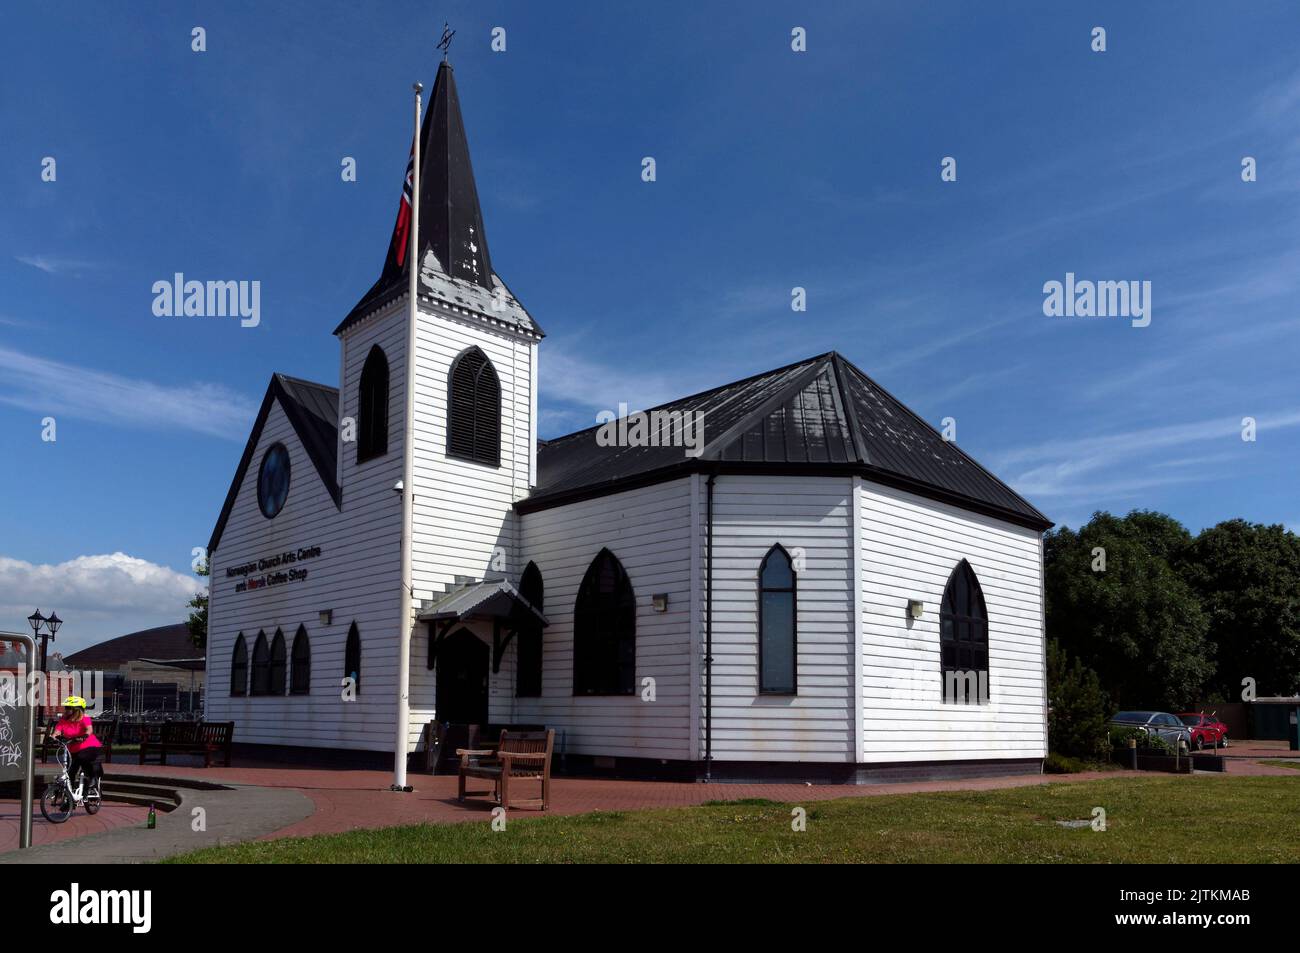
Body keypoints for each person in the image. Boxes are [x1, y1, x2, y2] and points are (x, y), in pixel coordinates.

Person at [53, 696, 102, 798]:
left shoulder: (85, 718)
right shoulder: (64, 719)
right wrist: (54, 736)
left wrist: (84, 736)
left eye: (69, 708)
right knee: (70, 772)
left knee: (82, 759)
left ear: (77, 709)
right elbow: (58, 730)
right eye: (66, 707)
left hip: (89, 747)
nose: (66, 710)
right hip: (73, 748)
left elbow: (89, 730)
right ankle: (69, 799)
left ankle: (93, 779)